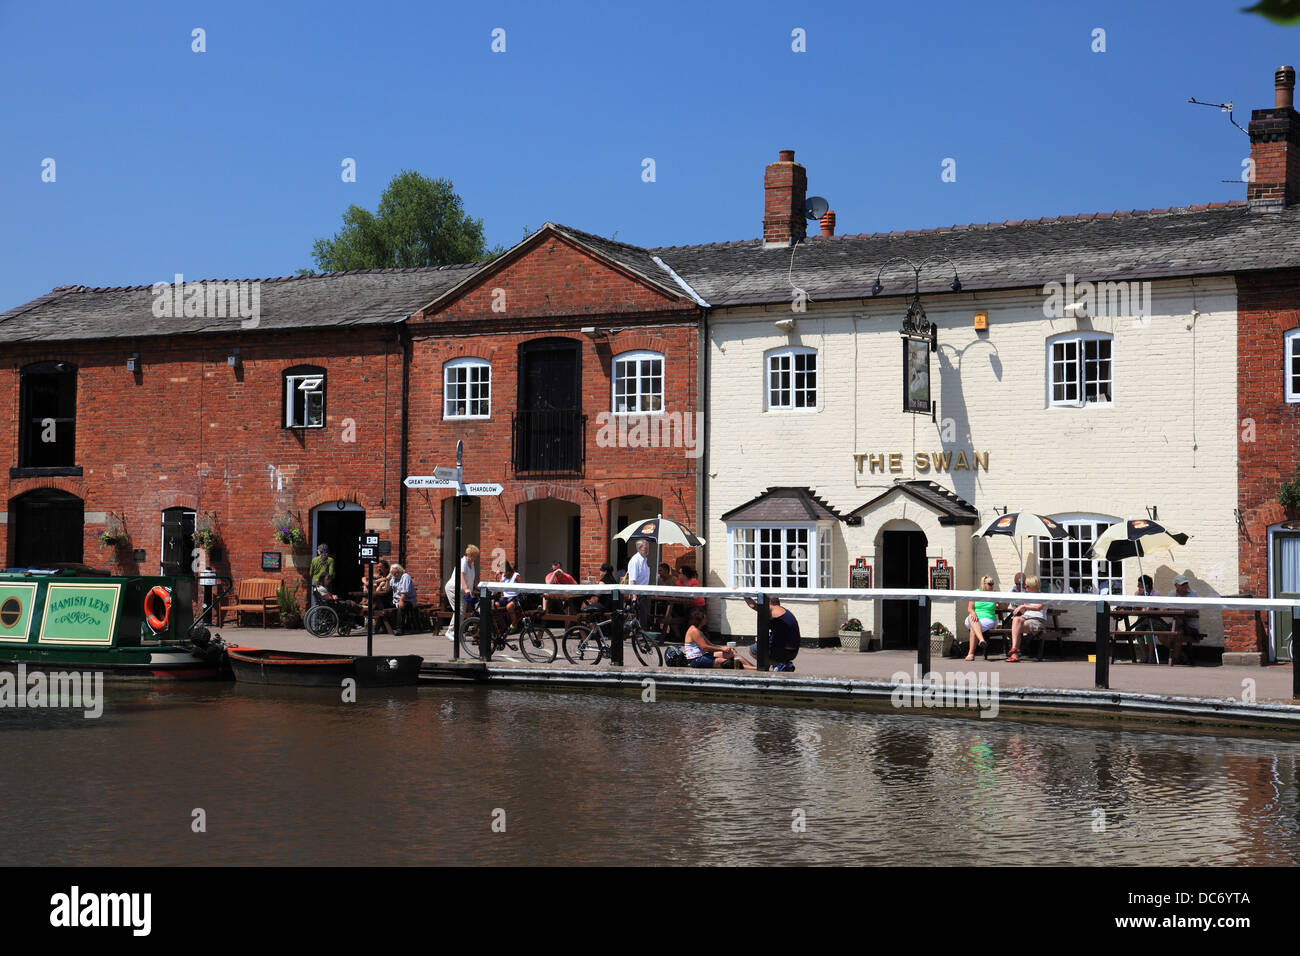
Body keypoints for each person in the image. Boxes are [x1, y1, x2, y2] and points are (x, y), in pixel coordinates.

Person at [737, 595, 800, 670]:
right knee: (764, 644)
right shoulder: (783, 611)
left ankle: (780, 665)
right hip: (793, 652)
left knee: (753, 650)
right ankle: (775, 666)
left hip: (783, 652)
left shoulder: (771, 610)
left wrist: (744, 594)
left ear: (768, 602)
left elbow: (753, 605)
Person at [1007, 575, 1046, 663]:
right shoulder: (1026, 596)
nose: (1025, 587)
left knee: (1016, 626)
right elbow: (1025, 612)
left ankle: (1015, 654)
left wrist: (1023, 605)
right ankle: (1014, 649)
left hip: (1037, 619)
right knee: (1016, 619)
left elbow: (1038, 608)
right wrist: (1019, 608)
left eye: (1027, 585)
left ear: (1033, 586)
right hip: (1026, 618)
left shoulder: (1043, 596)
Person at [443, 545, 479, 638]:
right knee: (459, 610)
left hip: (463, 591)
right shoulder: (463, 562)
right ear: (468, 554)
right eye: (473, 555)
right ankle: (450, 631)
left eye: (475, 556)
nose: (475, 558)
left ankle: (456, 631)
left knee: (462, 612)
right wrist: (467, 588)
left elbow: (472, 577)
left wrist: (475, 586)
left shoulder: (472, 563)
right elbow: (461, 575)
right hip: (453, 588)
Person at [965, 575, 998, 661]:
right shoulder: (975, 593)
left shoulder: (995, 594)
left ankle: (971, 654)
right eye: (990, 584)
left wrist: (1000, 602)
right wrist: (973, 614)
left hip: (988, 619)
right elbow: (970, 608)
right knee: (972, 619)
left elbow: (1004, 605)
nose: (992, 586)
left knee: (973, 627)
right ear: (983, 584)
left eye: (993, 584)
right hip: (975, 617)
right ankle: (981, 639)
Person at [1169, 575, 1200, 666]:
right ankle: (1182, 654)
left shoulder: (1193, 594)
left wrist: (1179, 611)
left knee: (1177, 632)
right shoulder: (1171, 594)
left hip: (1190, 626)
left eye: (1186, 583)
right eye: (1183, 584)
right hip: (1176, 624)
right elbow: (1167, 609)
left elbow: (1195, 611)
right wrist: (1183, 611)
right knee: (1162, 634)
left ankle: (1175, 658)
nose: (1185, 586)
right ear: (1176, 586)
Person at [389, 563, 417, 635]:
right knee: (383, 606)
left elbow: (405, 591)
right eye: (393, 573)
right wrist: (386, 579)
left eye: (397, 573)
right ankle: (384, 627)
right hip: (396, 600)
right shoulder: (393, 578)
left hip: (408, 600)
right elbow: (389, 587)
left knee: (401, 607)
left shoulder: (405, 576)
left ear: (400, 571)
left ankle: (400, 629)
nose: (395, 574)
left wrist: (401, 601)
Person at [496, 561, 523, 631]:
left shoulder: (516, 575)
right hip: (506, 598)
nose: (502, 572)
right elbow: (499, 586)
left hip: (516, 597)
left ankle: (514, 626)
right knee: (495, 605)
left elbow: (522, 587)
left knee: (509, 606)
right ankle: (504, 626)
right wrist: (497, 577)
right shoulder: (503, 576)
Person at [308, 543, 335, 608]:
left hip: (315, 583)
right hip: (325, 583)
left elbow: (310, 573)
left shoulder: (314, 560)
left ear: (319, 552)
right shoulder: (330, 560)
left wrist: (315, 578)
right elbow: (330, 573)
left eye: (318, 550)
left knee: (317, 602)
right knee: (327, 603)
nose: (317, 551)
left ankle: (316, 617)